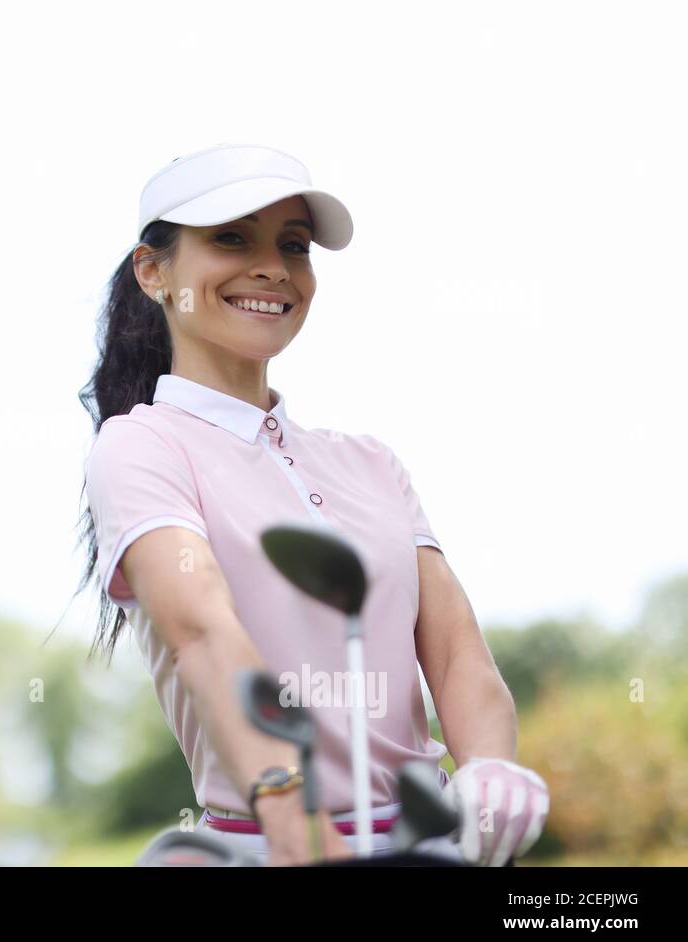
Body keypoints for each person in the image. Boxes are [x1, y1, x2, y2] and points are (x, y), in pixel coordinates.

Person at [76, 144, 550, 866]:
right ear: (153, 270)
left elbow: (454, 650)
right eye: (231, 238)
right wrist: (297, 821)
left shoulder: (371, 460)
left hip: (427, 845)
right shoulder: (140, 447)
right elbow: (202, 633)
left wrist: (488, 764)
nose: (272, 267)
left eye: (292, 246)